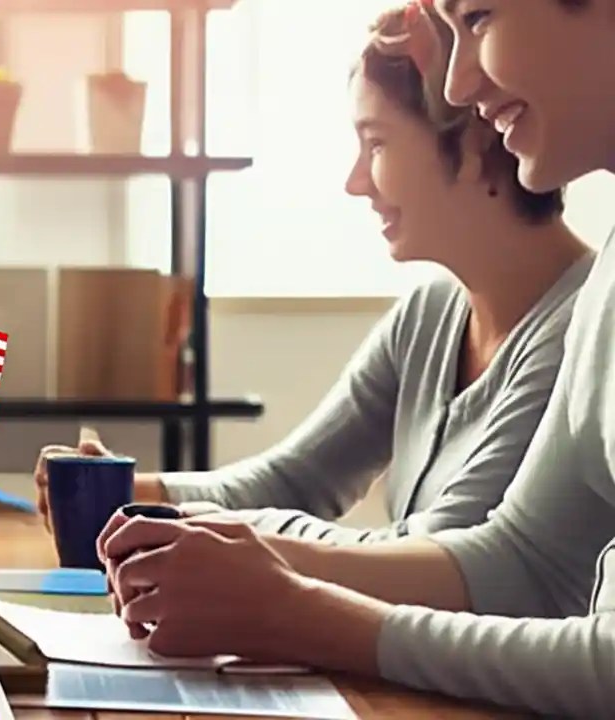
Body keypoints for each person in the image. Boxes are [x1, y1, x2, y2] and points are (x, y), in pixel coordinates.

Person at [97, 1, 615, 717]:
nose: (462, 86)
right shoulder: (591, 287)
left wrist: (291, 601)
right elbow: (524, 562)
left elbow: (520, 594)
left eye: (481, 18)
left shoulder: (569, 312)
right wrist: (177, 522)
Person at [36, 5, 593, 546]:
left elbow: (438, 555)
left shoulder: (578, 328)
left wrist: (202, 529)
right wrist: (130, 495)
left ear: (474, 140)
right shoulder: (428, 318)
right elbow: (295, 480)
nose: (356, 181)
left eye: (376, 143)